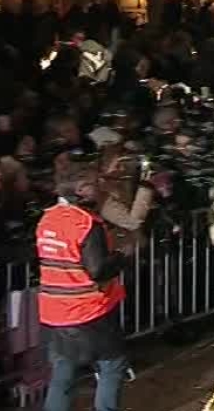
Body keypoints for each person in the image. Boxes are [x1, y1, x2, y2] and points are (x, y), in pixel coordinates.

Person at [36, 172, 130, 411]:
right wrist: (121, 257)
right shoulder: (87, 223)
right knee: (112, 367)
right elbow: (97, 269)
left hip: (54, 311)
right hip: (89, 310)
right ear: (79, 191)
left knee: (62, 374)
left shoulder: (48, 219)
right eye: (92, 185)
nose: (98, 189)